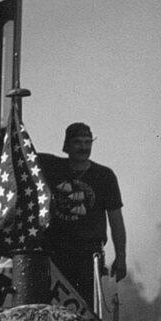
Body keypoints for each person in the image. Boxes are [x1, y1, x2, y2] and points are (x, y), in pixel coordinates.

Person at [40, 122, 127, 306]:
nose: (84, 147)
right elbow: (25, 153)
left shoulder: (104, 176)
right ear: (67, 145)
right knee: (51, 309)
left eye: (88, 142)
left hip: (87, 256)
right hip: (55, 255)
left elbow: (116, 220)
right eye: (78, 142)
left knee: (85, 308)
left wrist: (121, 257)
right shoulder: (51, 167)